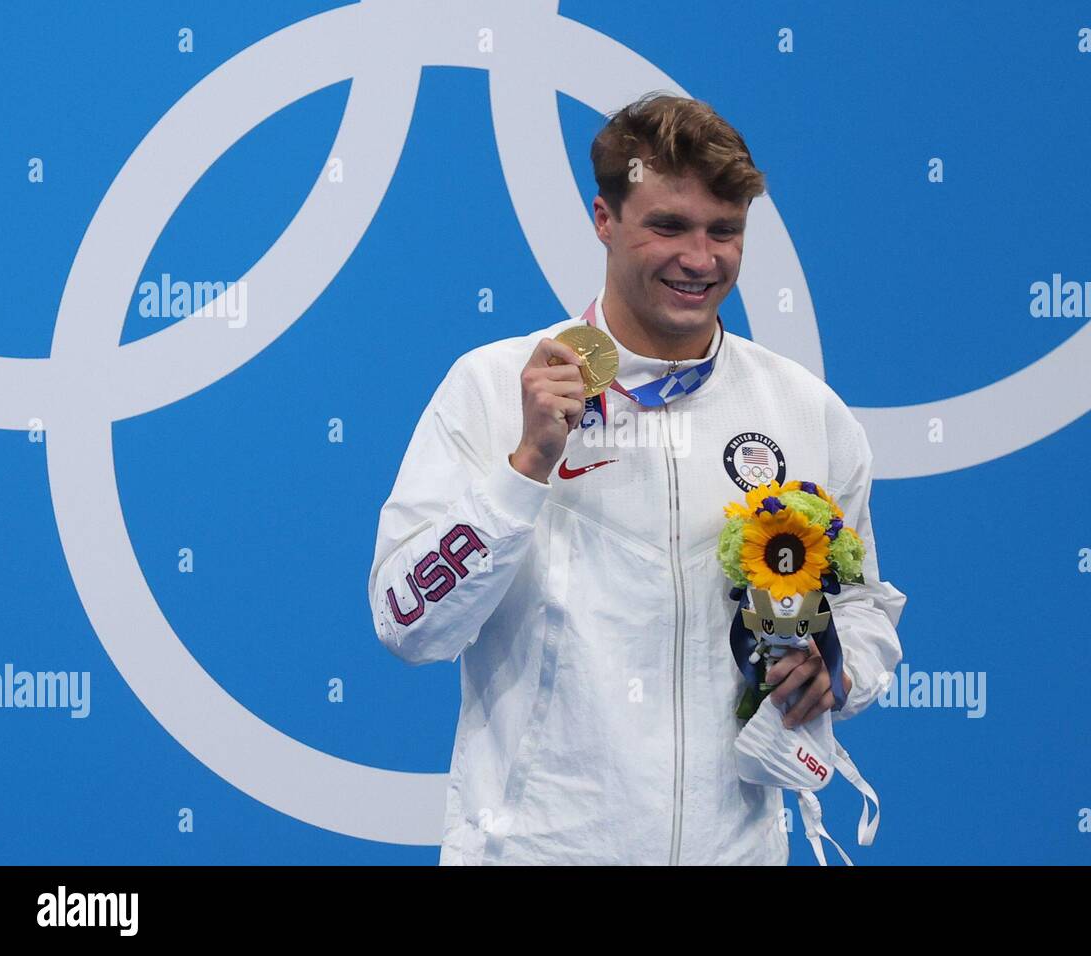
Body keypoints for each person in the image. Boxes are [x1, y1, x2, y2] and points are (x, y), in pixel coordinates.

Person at [367, 92, 906, 866]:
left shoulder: (802, 409)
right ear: (603, 219)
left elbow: (863, 609)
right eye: (669, 227)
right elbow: (406, 623)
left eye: (725, 231)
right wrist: (525, 471)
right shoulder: (490, 388)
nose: (702, 258)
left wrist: (838, 667)